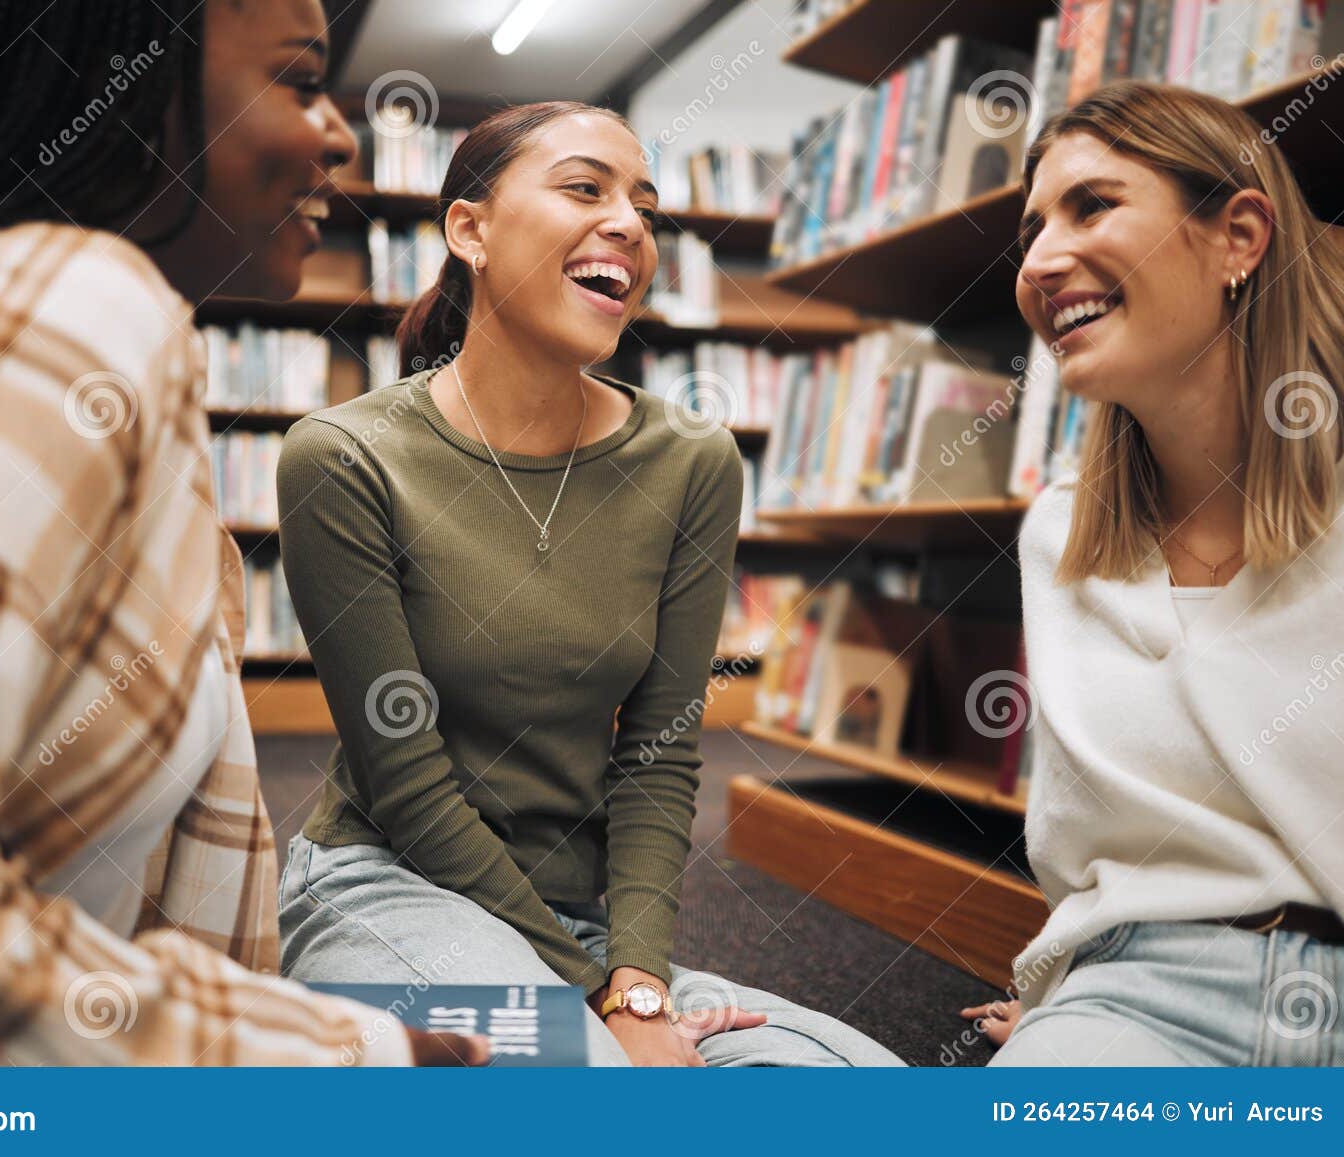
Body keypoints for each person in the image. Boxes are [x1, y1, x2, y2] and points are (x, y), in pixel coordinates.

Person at [0, 0, 484, 1067]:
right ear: (120, 82)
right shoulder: (67, 305)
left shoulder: (41, 330)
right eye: (298, 79)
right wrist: (347, 1060)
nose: (339, 134)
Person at [273, 100, 904, 1067]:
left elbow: (659, 753)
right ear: (469, 230)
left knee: (854, 1077)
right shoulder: (344, 456)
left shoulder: (692, 459)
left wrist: (639, 983)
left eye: (645, 206)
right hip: (389, 877)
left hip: (579, 918)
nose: (630, 225)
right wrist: (604, 1003)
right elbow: (406, 787)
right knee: (584, 1074)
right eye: (584, 188)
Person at [977, 79, 1344, 1065]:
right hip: (1142, 1001)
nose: (1041, 260)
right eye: (1031, 228)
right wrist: (1072, 1004)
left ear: (1237, 235)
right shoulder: (1060, 536)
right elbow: (1093, 853)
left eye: (1091, 204)